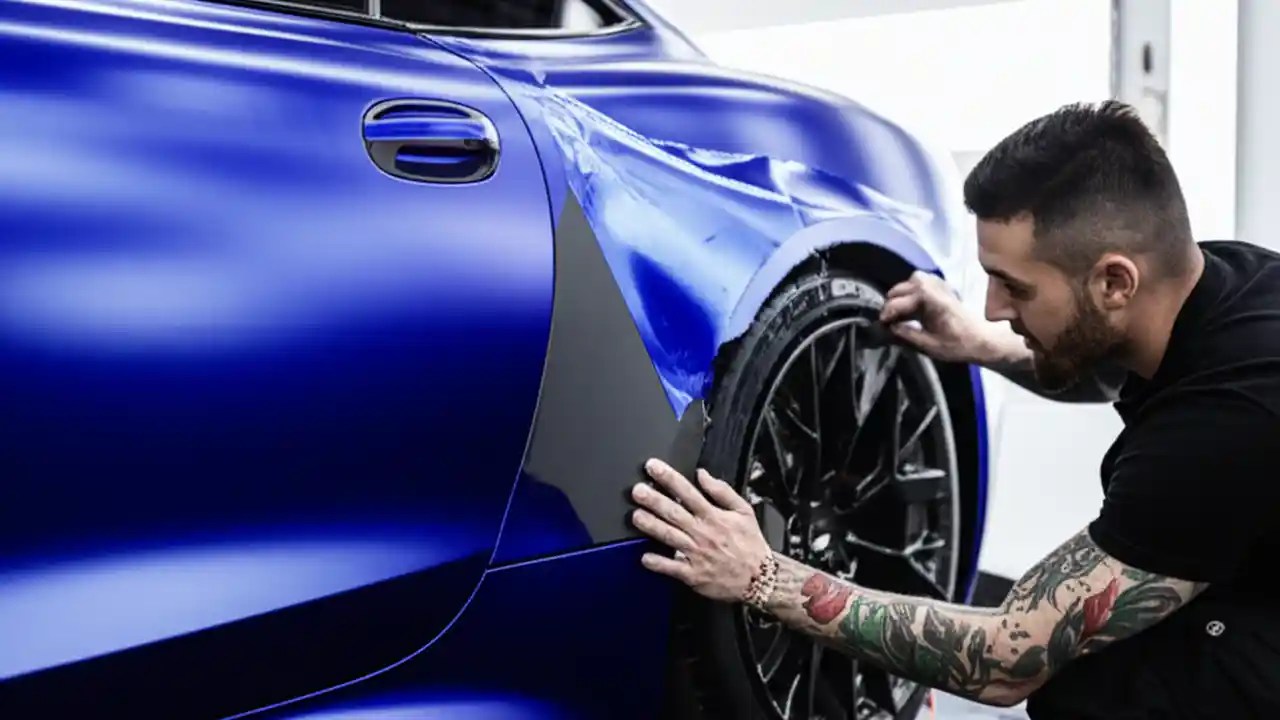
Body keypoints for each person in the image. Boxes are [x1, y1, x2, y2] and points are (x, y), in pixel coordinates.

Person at [629, 100, 1280, 717]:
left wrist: (762, 575)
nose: (993, 308)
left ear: (1114, 281)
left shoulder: (1224, 427)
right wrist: (982, 346)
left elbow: (1008, 657)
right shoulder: (1226, 285)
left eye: (1016, 287)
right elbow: (1116, 362)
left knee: (1098, 685)